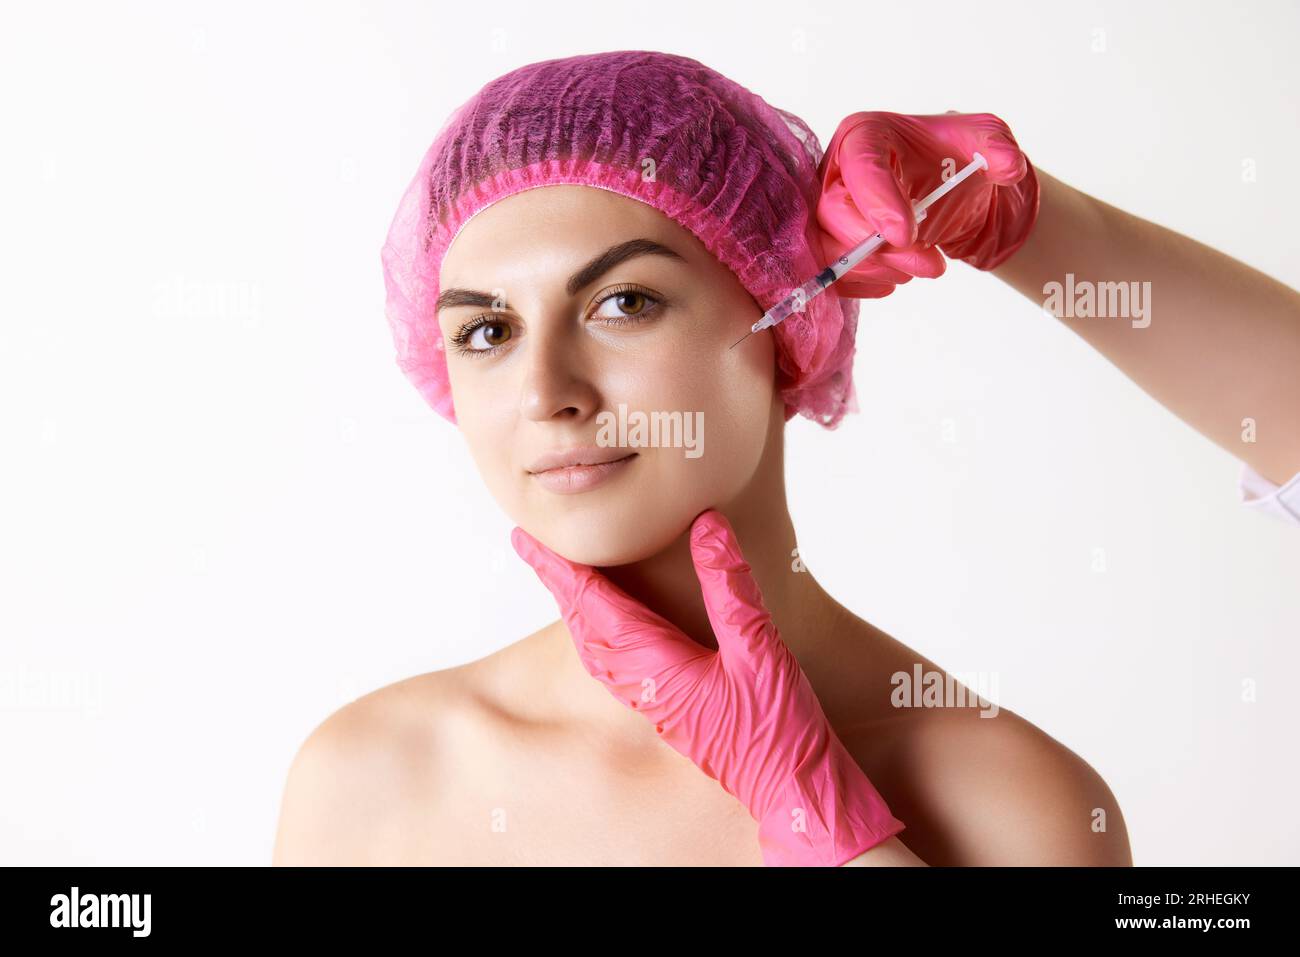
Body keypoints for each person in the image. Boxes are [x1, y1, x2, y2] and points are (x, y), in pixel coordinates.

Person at [273, 49, 1295, 866]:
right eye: (487, 331)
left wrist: (824, 822)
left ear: (788, 318)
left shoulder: (1005, 801)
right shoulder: (372, 776)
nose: (546, 392)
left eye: (624, 302)